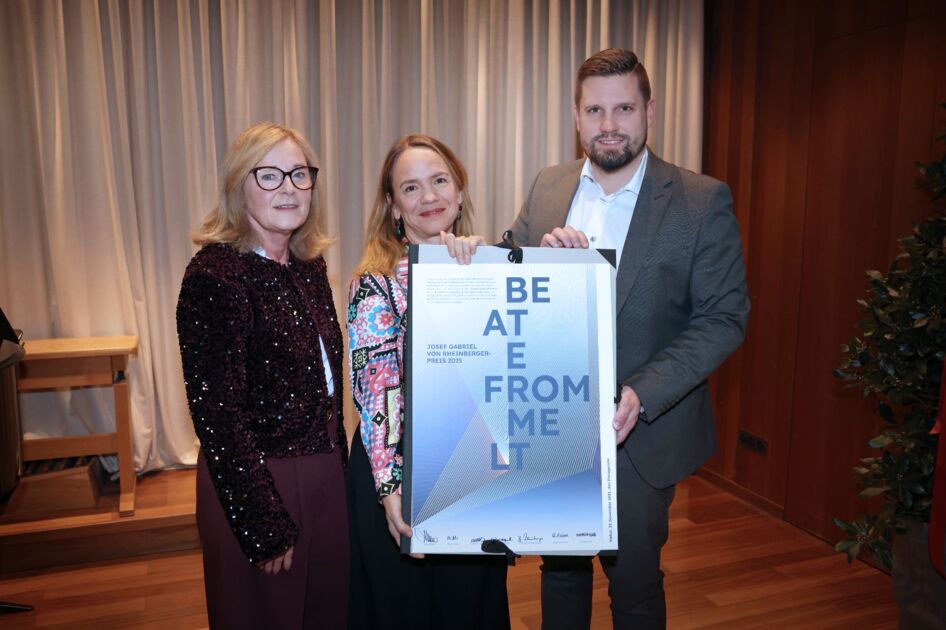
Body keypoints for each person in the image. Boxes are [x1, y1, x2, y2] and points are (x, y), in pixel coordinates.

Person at [509, 49, 750, 629]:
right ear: (576, 115)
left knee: (635, 585)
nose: (609, 124)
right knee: (559, 574)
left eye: (624, 108)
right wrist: (536, 263)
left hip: (641, 438)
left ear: (650, 112)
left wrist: (641, 392)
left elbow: (724, 316)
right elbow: (509, 278)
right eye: (595, 109)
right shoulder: (548, 186)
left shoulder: (700, 200)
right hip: (556, 424)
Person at [177, 122, 348, 629]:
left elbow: (326, 388)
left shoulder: (308, 266)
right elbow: (218, 416)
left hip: (324, 476)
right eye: (269, 175)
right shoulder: (214, 275)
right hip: (257, 483)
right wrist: (262, 522)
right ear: (239, 186)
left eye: (299, 174)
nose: (289, 188)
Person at [347, 134, 510, 629]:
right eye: (411, 188)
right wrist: (390, 486)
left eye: (440, 181)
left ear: (459, 192)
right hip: (396, 470)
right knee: (405, 610)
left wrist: (478, 273)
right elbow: (377, 390)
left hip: (473, 467)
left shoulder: (494, 268)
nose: (430, 197)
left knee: (470, 607)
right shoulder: (374, 282)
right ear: (395, 208)